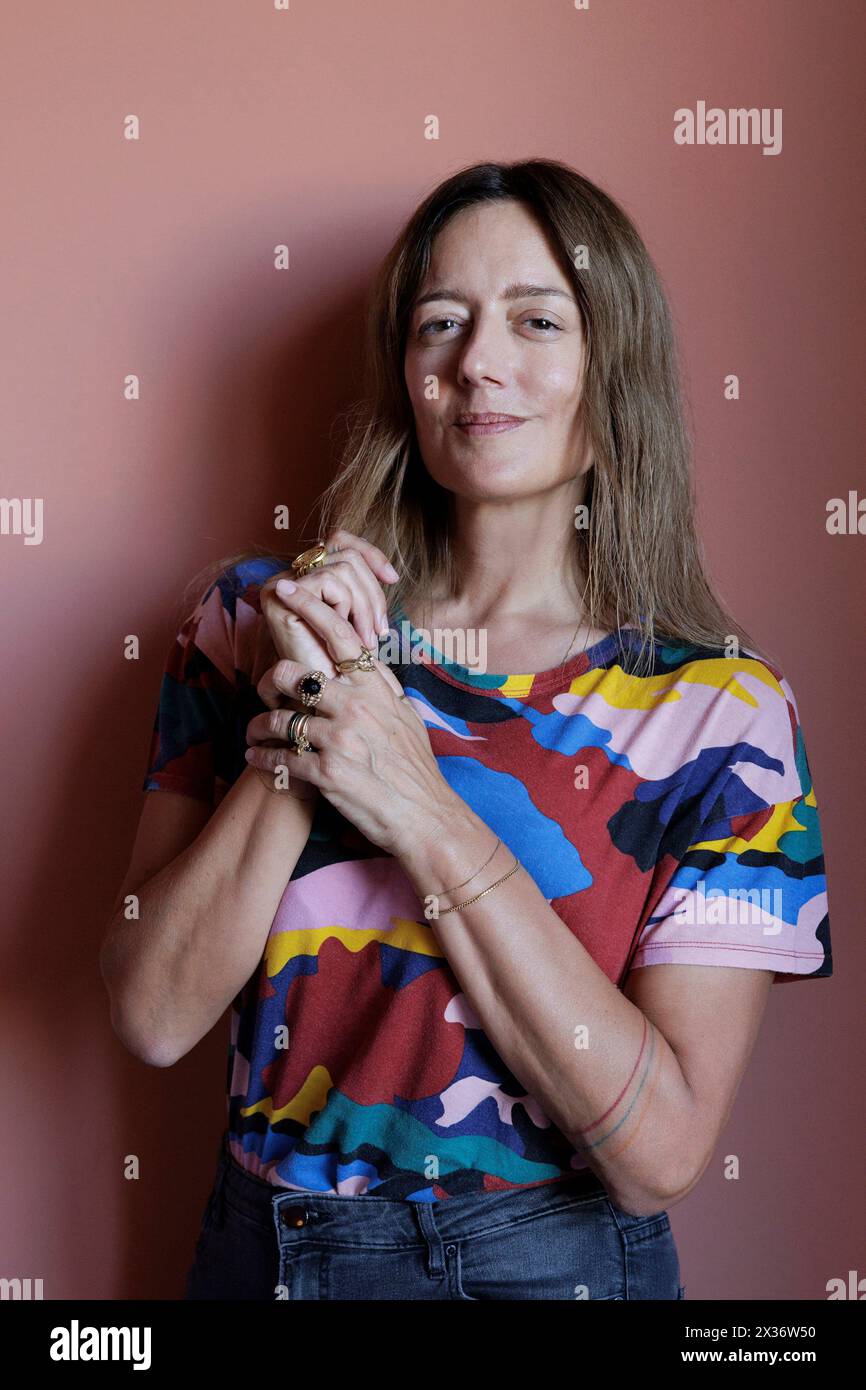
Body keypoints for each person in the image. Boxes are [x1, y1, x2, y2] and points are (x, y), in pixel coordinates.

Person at [99, 159, 832, 1301]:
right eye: (440, 323)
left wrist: (418, 799)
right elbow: (149, 1014)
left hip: (555, 1268)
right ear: (405, 373)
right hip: (266, 1257)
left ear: (612, 373)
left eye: (535, 320)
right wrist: (311, 718)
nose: (476, 363)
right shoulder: (255, 621)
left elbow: (660, 1155)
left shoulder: (718, 713)